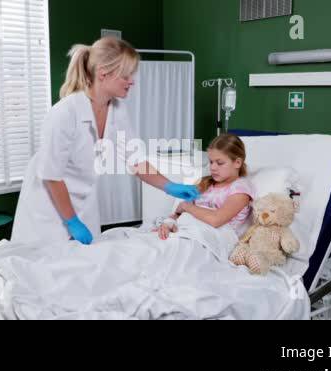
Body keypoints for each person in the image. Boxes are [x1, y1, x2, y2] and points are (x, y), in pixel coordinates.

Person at [12, 37, 200, 245]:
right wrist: (71, 220)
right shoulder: (64, 113)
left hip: (84, 201)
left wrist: (169, 185)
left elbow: (136, 161)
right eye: (126, 75)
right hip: (48, 205)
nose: (132, 81)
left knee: (85, 267)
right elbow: (52, 177)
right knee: (43, 268)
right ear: (103, 73)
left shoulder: (117, 111)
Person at [155, 134, 255, 240]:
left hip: (214, 238)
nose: (212, 167)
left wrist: (187, 206)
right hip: (186, 229)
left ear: (237, 162)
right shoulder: (205, 183)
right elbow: (178, 213)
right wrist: (168, 223)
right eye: (211, 162)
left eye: (219, 163)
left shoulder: (240, 190)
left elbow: (215, 220)